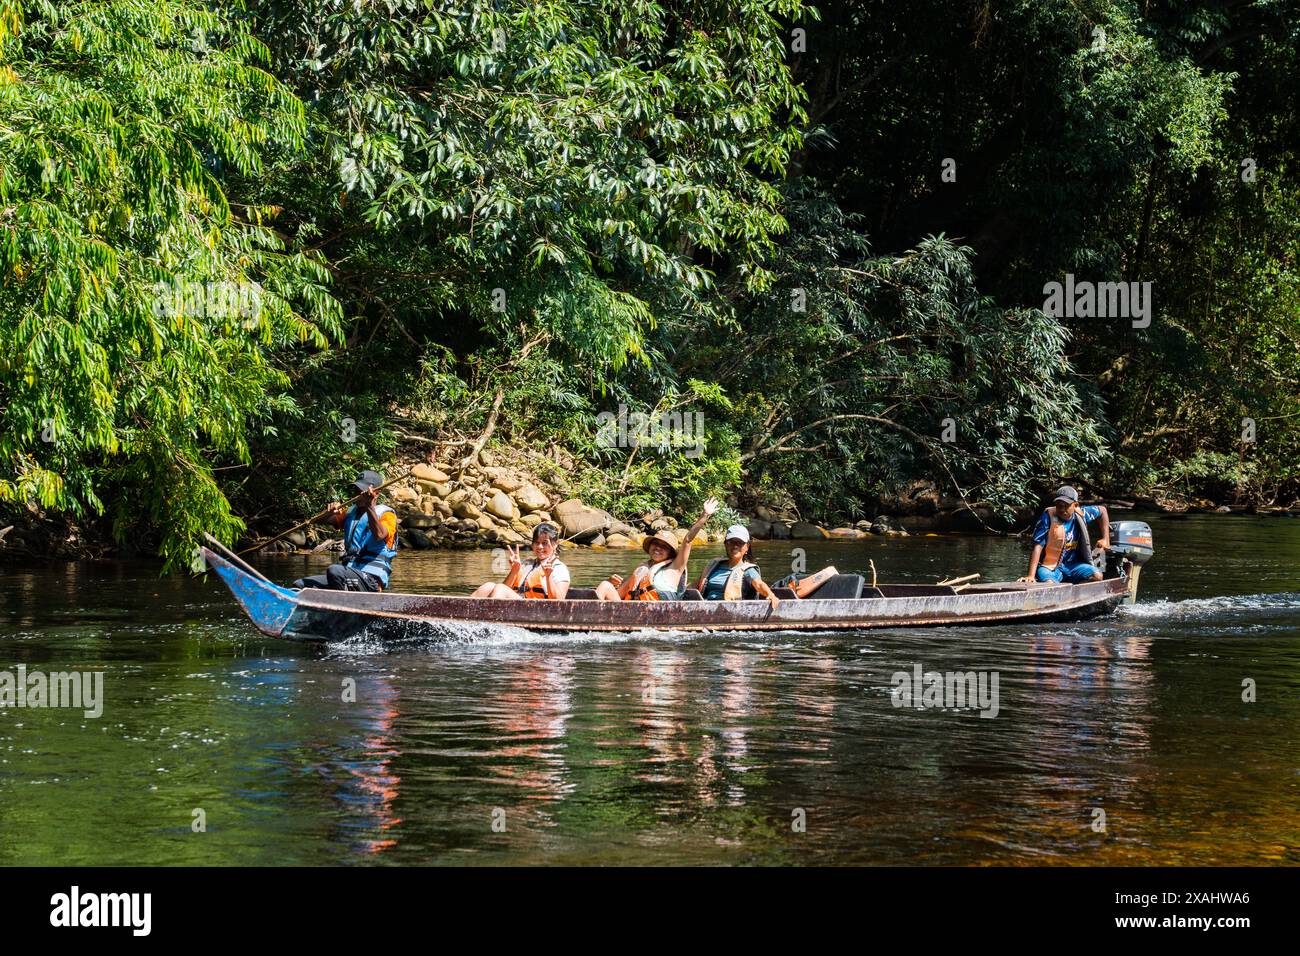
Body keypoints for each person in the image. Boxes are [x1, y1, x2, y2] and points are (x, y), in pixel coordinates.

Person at [294, 469, 399, 591]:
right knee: (300, 585)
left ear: (377, 492)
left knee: (334, 570)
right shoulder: (351, 513)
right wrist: (327, 513)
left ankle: (341, 604)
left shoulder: (387, 515)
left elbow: (379, 535)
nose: (358, 494)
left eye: (362, 490)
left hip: (371, 580)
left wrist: (369, 506)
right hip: (348, 574)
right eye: (356, 490)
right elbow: (319, 521)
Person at [595, 498, 719, 601]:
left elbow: (687, 540)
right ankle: (586, 618)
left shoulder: (676, 568)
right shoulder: (641, 569)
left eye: (664, 547)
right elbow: (620, 596)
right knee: (605, 586)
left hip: (657, 615)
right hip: (631, 613)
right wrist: (612, 583)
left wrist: (704, 515)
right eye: (656, 544)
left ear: (670, 552)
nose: (658, 548)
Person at [1022, 485, 1110, 584]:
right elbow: (1037, 546)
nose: (1062, 509)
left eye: (1066, 505)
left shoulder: (1082, 514)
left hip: (1074, 565)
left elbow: (1102, 510)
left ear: (1075, 505)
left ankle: (1077, 592)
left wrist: (1105, 538)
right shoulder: (1047, 518)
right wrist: (1031, 575)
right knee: (1049, 584)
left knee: (1097, 576)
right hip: (1050, 567)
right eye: (1059, 505)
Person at [470, 522, 571, 600]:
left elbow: (559, 601)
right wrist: (514, 570)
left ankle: (489, 622)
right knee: (487, 586)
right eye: (537, 542)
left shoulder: (559, 569)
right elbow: (505, 589)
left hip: (538, 610)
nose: (540, 547)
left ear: (555, 544)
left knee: (500, 588)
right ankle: (461, 615)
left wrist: (548, 576)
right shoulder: (527, 564)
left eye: (545, 543)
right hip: (519, 605)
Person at [693, 524, 782, 609]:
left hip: (728, 611)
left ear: (747, 547)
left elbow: (759, 584)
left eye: (740, 543)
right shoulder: (714, 565)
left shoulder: (748, 570)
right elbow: (695, 585)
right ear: (725, 544)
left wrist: (770, 595)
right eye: (731, 542)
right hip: (704, 608)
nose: (735, 546)